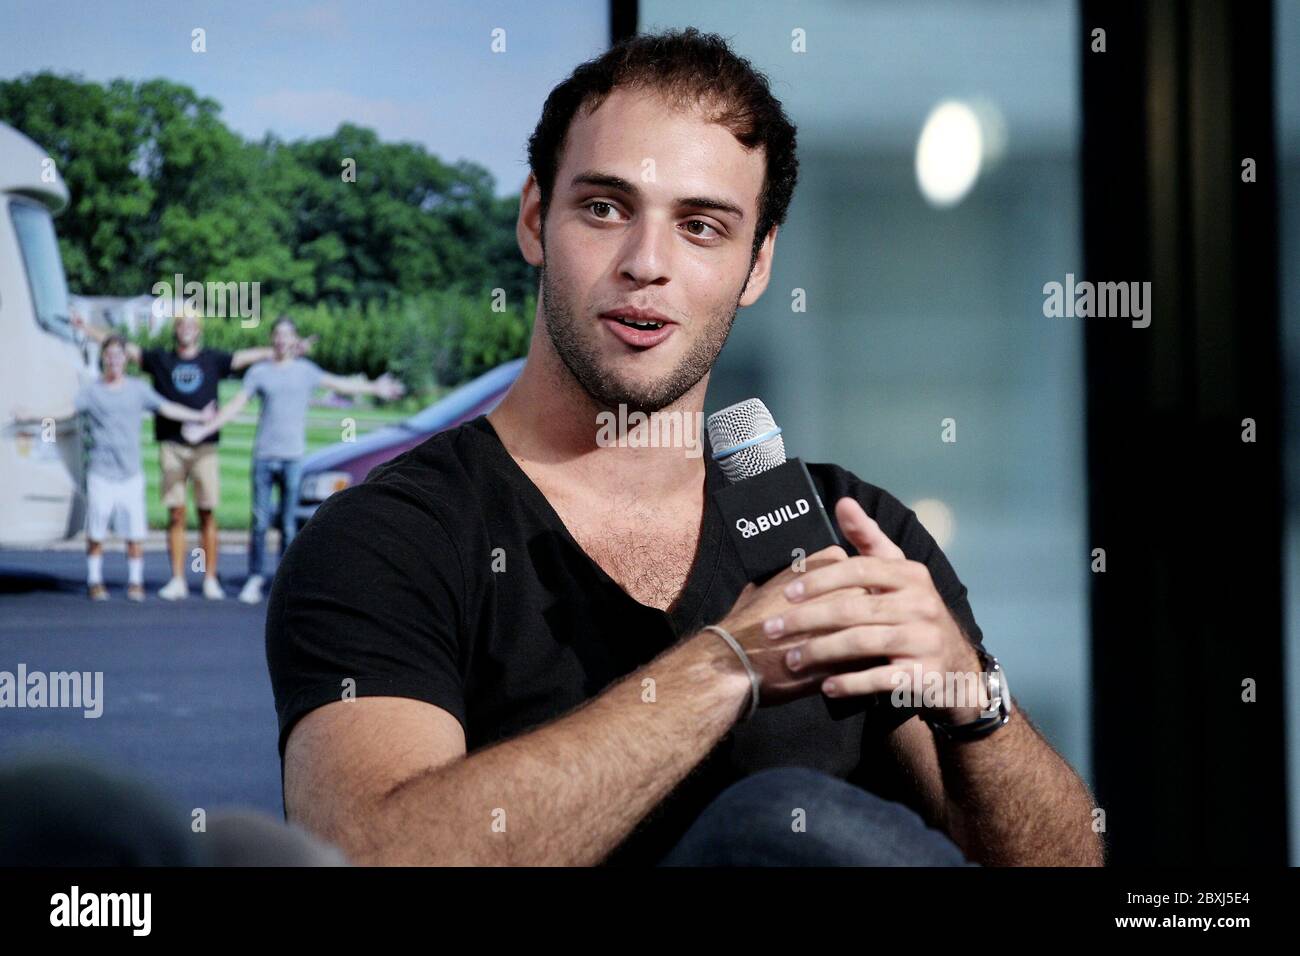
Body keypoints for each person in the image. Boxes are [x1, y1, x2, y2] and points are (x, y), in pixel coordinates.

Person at [266, 29, 1105, 866]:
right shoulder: (388, 538)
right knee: (777, 822)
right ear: (534, 220)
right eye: (605, 208)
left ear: (757, 264)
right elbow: (369, 855)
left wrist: (971, 696)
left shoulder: (848, 530)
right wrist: (726, 666)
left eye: (702, 226)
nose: (647, 263)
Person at [73, 309, 314, 601]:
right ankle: (178, 579)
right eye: (181, 324)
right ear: (176, 329)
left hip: (205, 447)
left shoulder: (212, 359)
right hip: (172, 446)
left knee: (206, 513)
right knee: (176, 514)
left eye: (191, 324)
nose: (186, 328)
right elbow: (124, 348)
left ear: (198, 330)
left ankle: (208, 577)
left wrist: (283, 347)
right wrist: (87, 328)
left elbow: (243, 357)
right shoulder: (162, 360)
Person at [185, 316, 405, 605]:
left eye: (287, 335)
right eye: (277, 335)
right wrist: (203, 429)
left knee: (289, 524)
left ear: (294, 340)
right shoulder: (260, 373)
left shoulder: (306, 371)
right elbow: (234, 406)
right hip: (264, 457)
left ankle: (285, 579)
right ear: (272, 339)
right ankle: (255, 577)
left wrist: (376, 388)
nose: (281, 340)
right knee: (260, 522)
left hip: (292, 458)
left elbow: (340, 384)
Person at [12, 336, 211, 600]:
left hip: (131, 473)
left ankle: (135, 583)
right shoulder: (92, 392)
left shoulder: (138, 389)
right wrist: (33, 414)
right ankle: (95, 581)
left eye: (119, 355)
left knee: (135, 533)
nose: (114, 359)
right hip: (101, 473)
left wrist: (199, 416)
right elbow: (64, 411)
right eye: (110, 355)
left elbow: (167, 408)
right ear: (104, 358)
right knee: (96, 531)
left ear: (125, 360)